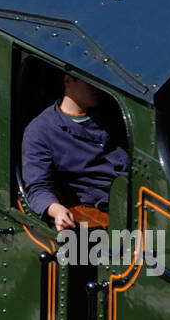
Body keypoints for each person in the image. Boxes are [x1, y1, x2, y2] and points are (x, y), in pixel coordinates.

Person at [21, 73, 130, 232]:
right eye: (89, 83)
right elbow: (37, 187)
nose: (97, 88)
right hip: (103, 212)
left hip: (135, 199)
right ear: (68, 80)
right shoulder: (40, 130)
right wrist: (56, 210)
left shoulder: (114, 114)